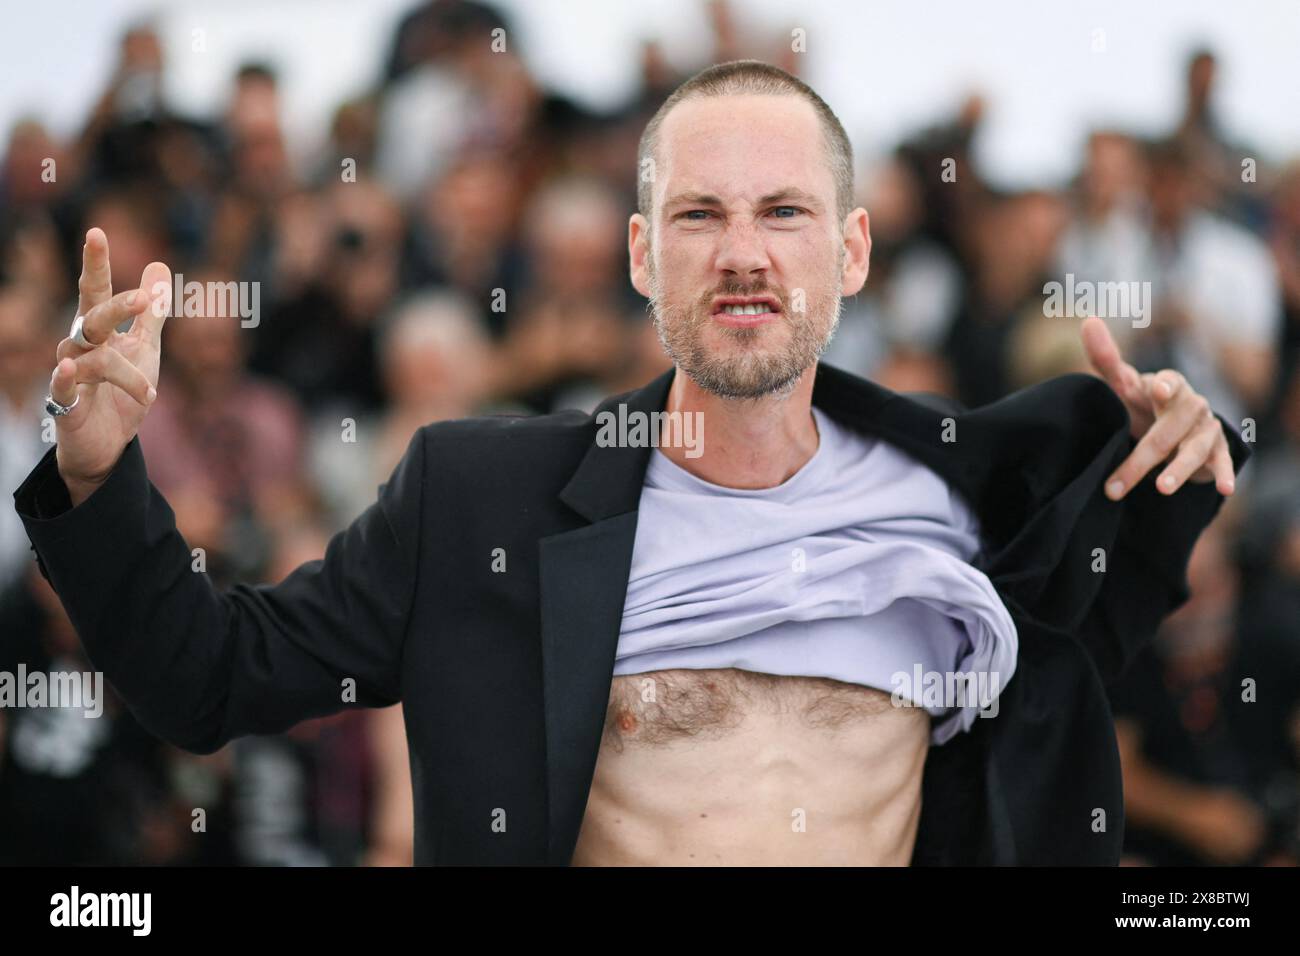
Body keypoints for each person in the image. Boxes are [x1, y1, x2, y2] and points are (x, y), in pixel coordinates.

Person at [13, 60, 1247, 866]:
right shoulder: (477, 497)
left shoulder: (960, 507)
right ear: (643, 256)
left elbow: (1108, 613)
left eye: (784, 212)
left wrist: (1196, 442)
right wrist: (97, 472)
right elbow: (208, 680)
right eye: (700, 216)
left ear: (854, 251)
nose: (743, 252)